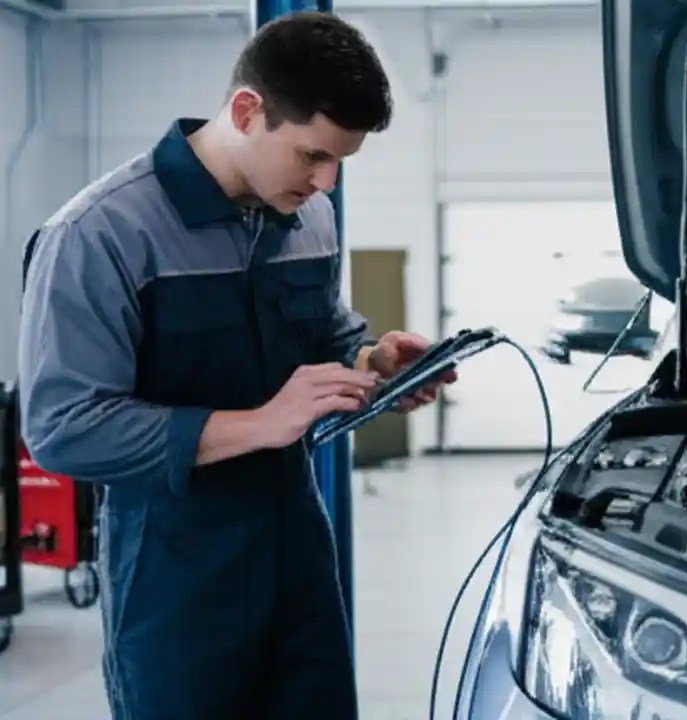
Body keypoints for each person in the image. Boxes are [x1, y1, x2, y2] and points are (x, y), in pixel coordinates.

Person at [16, 12, 453, 720]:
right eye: (313, 155)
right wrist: (257, 424)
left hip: (298, 554)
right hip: (172, 571)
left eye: (341, 161)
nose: (327, 180)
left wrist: (374, 362)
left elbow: (323, 330)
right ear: (247, 111)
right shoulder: (99, 236)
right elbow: (62, 428)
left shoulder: (308, 215)